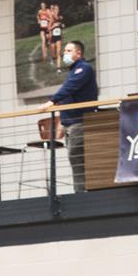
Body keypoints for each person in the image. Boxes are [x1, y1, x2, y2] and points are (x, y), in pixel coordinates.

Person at [41, 39, 98, 192]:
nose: (64, 53)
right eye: (64, 51)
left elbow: (69, 88)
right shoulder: (74, 71)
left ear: (78, 53)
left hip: (79, 122)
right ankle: (82, 191)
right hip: (70, 123)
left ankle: (81, 193)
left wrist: (51, 102)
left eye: (68, 51)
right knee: (76, 159)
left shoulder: (84, 68)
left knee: (76, 157)